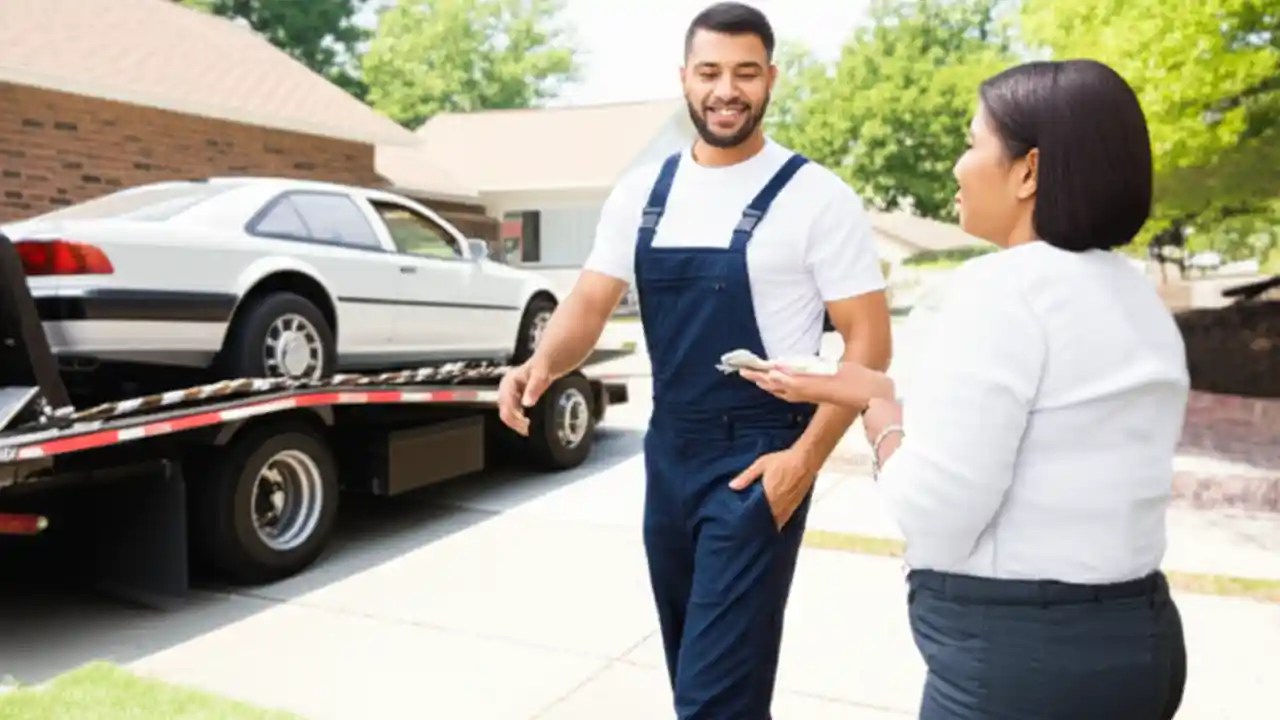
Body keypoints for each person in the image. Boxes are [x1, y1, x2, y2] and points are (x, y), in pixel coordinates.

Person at [744, 59, 1189, 719]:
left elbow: (936, 513)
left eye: (973, 142)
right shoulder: (1136, 295)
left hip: (1021, 661)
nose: (958, 164)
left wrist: (882, 415)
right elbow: (1057, 438)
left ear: (1028, 171)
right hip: (1140, 641)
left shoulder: (999, 289)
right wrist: (878, 383)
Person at [497, 3, 892, 716]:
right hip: (669, 454)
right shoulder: (644, 192)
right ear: (684, 78)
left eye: (746, 73)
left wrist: (802, 462)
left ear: (771, 78)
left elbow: (868, 343)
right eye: (710, 72)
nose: (726, 90)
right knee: (698, 678)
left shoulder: (817, 198)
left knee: (714, 701)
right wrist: (541, 364)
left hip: (758, 459)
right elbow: (589, 303)